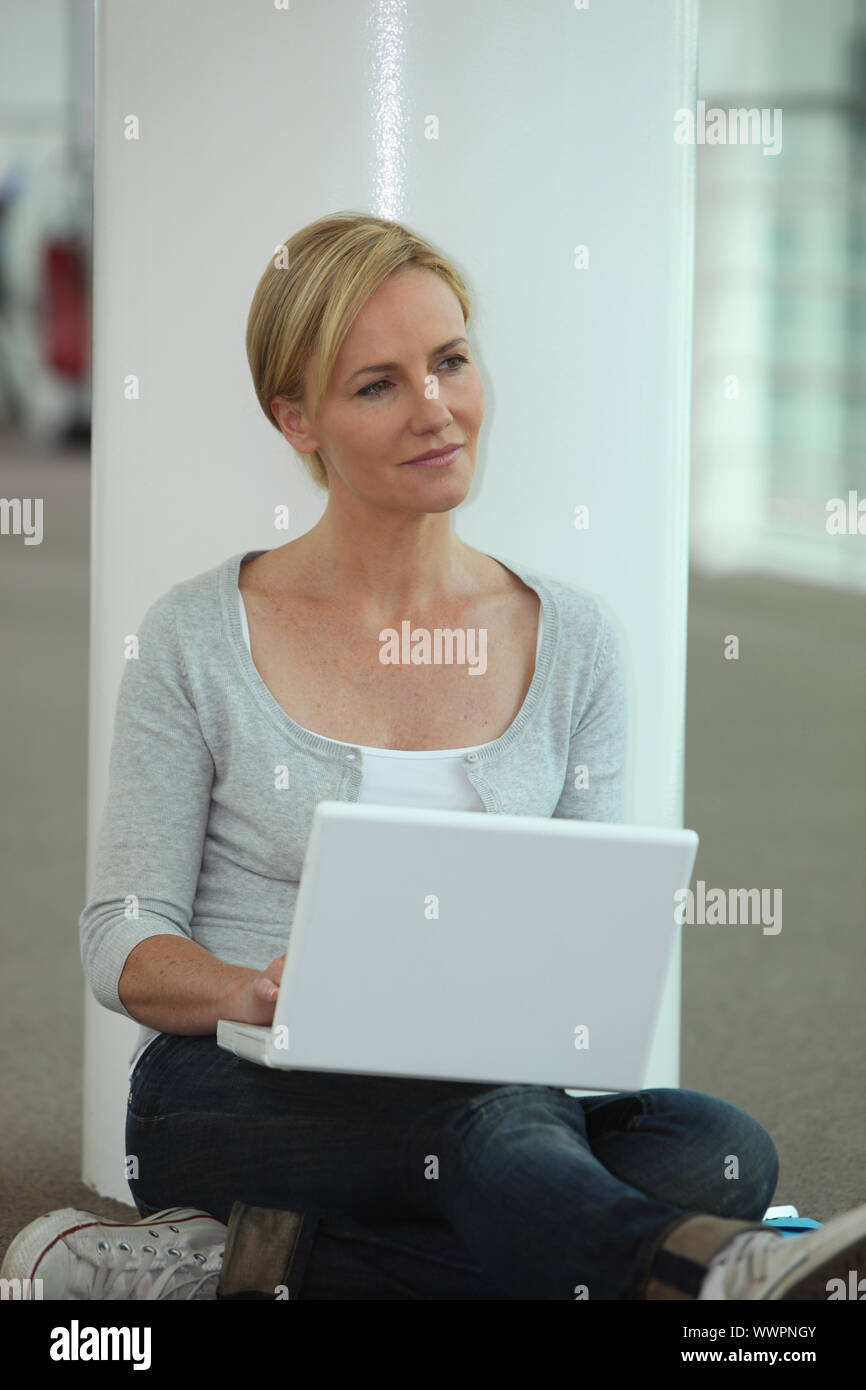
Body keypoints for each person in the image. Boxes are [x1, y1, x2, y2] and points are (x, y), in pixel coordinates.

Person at [4, 212, 865, 1300]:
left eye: (449, 361)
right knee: (508, 1135)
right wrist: (252, 989)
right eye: (377, 385)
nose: (436, 410)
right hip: (232, 1092)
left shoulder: (574, 637)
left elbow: (586, 922)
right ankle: (706, 1275)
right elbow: (118, 934)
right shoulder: (196, 633)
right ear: (296, 418)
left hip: (498, 1087)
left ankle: (232, 1269)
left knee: (709, 1141)